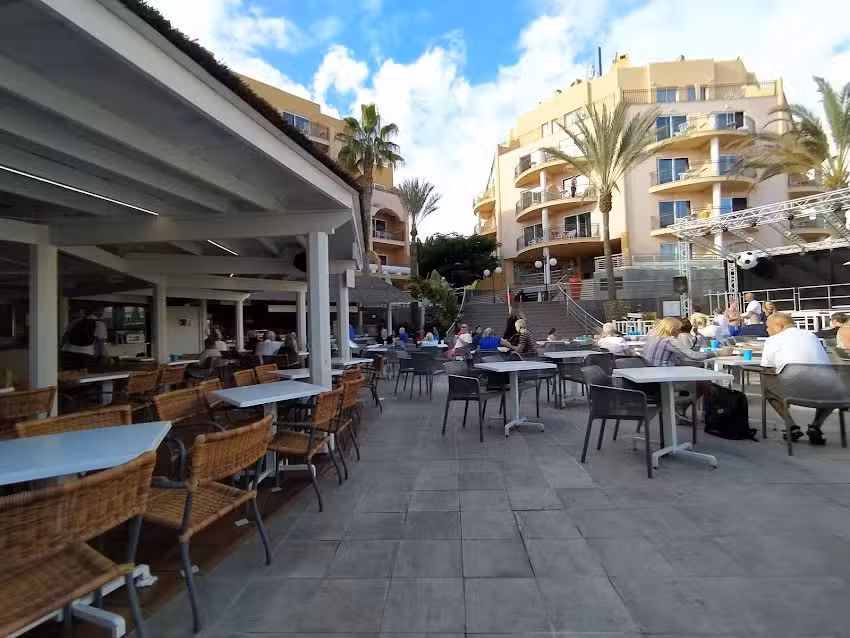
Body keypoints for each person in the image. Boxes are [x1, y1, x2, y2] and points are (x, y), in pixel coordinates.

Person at [761, 313, 834, 444]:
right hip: (827, 393)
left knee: (769, 390)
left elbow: (770, 370)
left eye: (768, 327)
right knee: (830, 387)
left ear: (779, 326)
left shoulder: (772, 340)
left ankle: (791, 425)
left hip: (793, 392)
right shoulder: (811, 336)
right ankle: (816, 426)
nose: (767, 330)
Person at [642, 318, 729, 367]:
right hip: (665, 374)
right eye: (679, 330)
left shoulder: (652, 337)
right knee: (703, 382)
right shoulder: (669, 341)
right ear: (672, 330)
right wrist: (718, 353)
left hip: (651, 372)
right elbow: (693, 355)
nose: (680, 332)